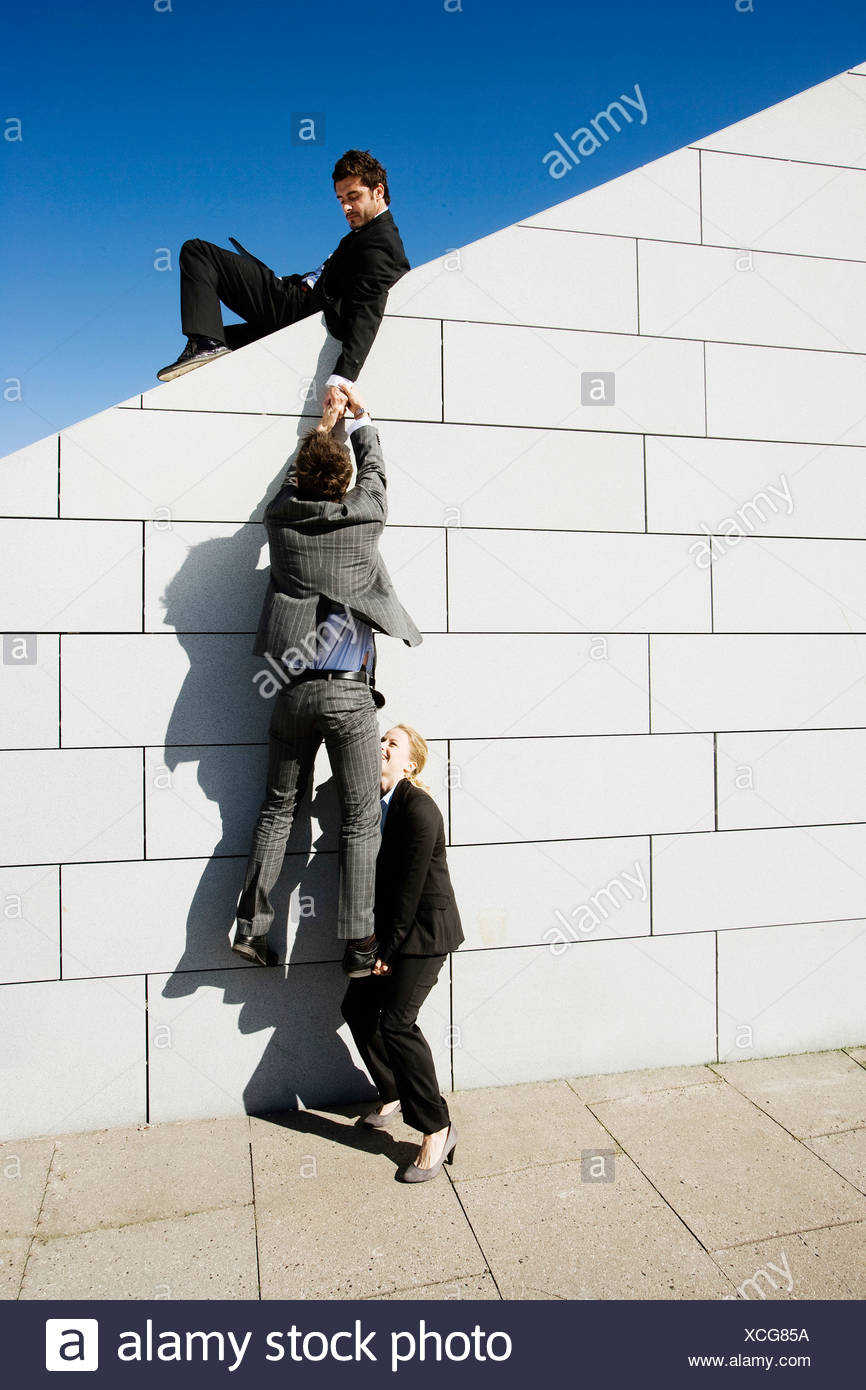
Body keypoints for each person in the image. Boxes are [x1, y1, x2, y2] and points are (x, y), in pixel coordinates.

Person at [232, 385, 421, 977]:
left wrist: (323, 426)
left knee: (275, 808)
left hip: (291, 689)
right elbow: (376, 479)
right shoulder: (362, 520)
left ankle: (250, 927)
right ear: (340, 485)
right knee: (361, 817)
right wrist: (359, 419)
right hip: (345, 693)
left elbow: (293, 488)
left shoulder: (280, 523)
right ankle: (359, 945)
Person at [157, 148, 410, 412]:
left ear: (378, 191)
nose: (345, 207)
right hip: (291, 294)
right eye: (340, 199)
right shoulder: (366, 233)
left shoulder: (382, 242)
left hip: (292, 307)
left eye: (353, 197)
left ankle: (206, 345)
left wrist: (342, 378)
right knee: (224, 340)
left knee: (198, 252)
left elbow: (368, 308)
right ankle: (210, 353)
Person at [341, 724, 464, 1183]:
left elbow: (409, 891)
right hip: (395, 932)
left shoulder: (418, 808)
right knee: (356, 1006)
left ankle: (437, 1126)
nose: (382, 746)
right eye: (381, 740)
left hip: (425, 934)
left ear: (410, 763)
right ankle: (391, 1090)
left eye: (393, 743)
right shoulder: (379, 807)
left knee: (396, 1023)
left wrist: (385, 951)